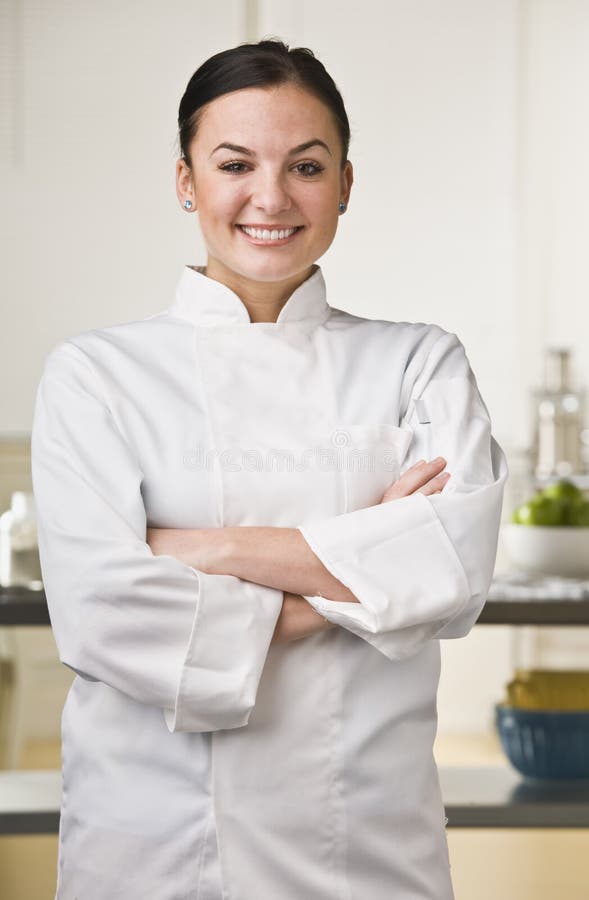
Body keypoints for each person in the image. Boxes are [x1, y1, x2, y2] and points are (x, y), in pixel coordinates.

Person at [31, 38, 508, 900]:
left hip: (363, 838)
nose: (271, 196)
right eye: (234, 163)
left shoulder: (417, 363)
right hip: (153, 838)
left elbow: (451, 568)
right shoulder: (96, 372)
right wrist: (365, 565)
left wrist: (199, 549)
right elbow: (100, 611)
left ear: (346, 185)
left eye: (306, 165)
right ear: (185, 181)